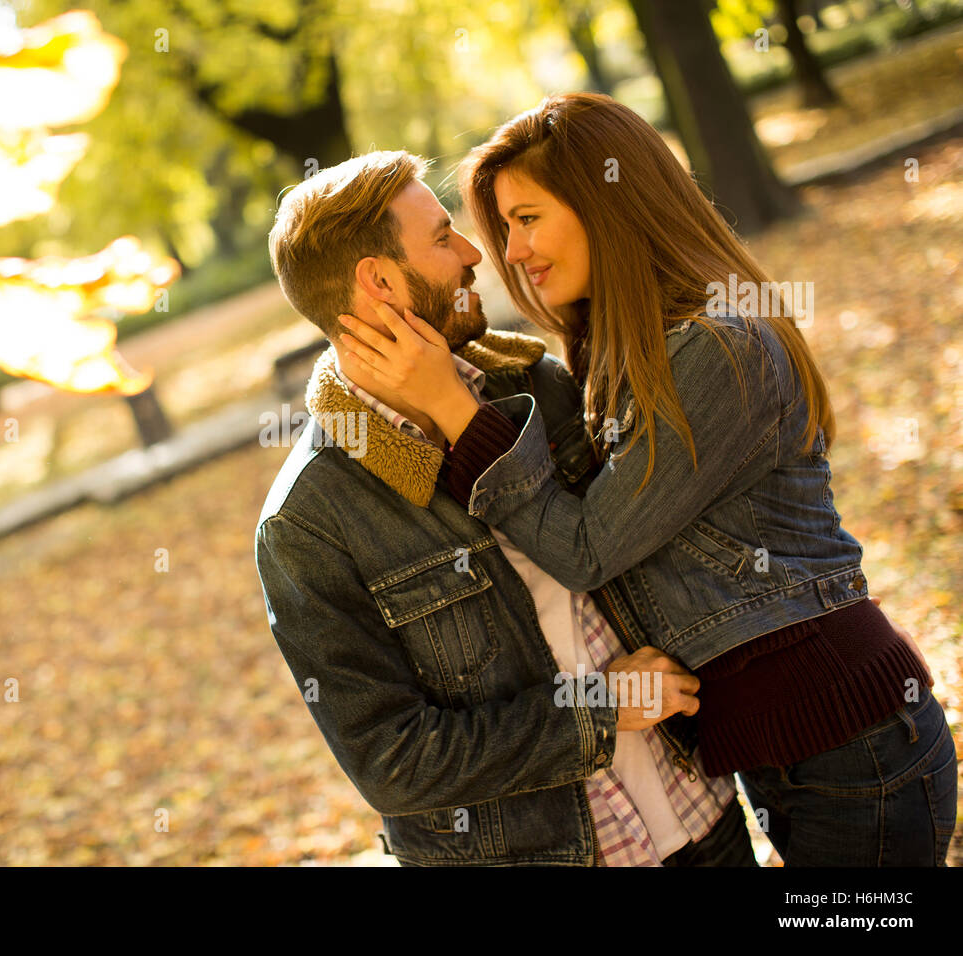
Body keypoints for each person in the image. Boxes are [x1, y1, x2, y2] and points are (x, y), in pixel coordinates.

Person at [335, 93, 957, 866]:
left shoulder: (717, 350)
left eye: (527, 218)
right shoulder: (616, 352)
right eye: (503, 228)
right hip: (786, 759)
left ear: (605, 200)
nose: (510, 252)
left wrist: (454, 410)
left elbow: (591, 548)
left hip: (852, 749)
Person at [256, 149, 758, 866]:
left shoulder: (537, 386)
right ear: (380, 281)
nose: (473, 254)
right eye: (441, 238)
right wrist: (599, 712)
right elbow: (395, 763)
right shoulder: (307, 524)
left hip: (703, 815)